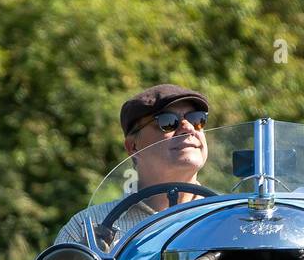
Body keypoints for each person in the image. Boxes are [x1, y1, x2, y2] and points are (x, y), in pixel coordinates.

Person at [55, 84, 211, 250]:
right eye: (168, 121)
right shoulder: (87, 229)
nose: (188, 128)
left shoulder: (229, 215)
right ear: (133, 147)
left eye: (197, 119)